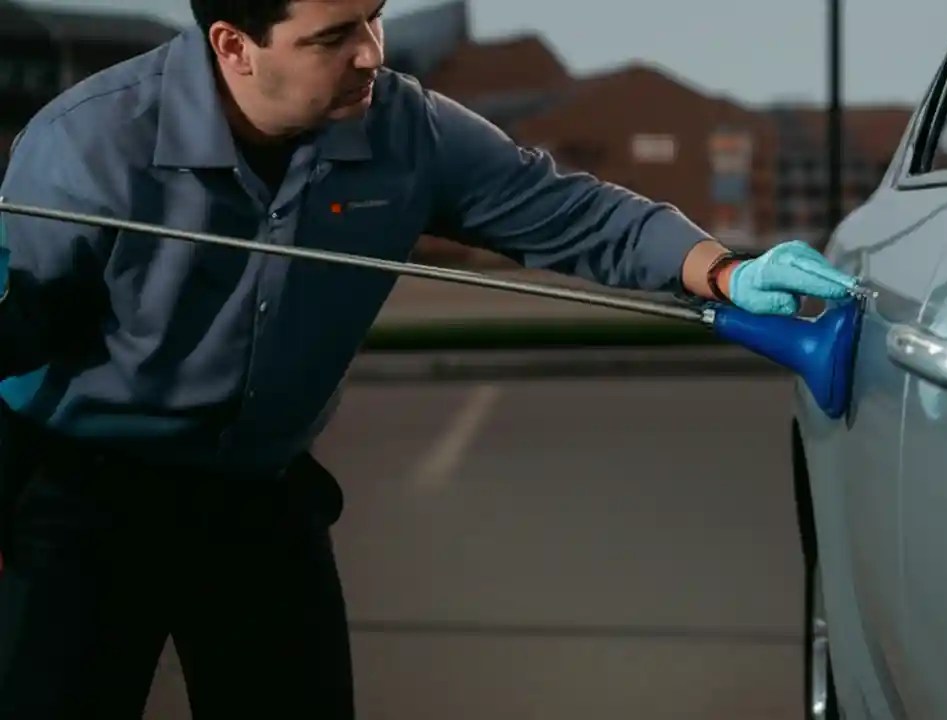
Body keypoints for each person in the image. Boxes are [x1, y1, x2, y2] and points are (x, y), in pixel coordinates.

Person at [0, 0, 859, 717]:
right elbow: (16, 332)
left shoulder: (405, 128)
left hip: (256, 494)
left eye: (372, 18)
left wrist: (724, 271)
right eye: (333, 37)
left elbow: (571, 212)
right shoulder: (87, 148)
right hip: (87, 496)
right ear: (234, 45)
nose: (370, 53)